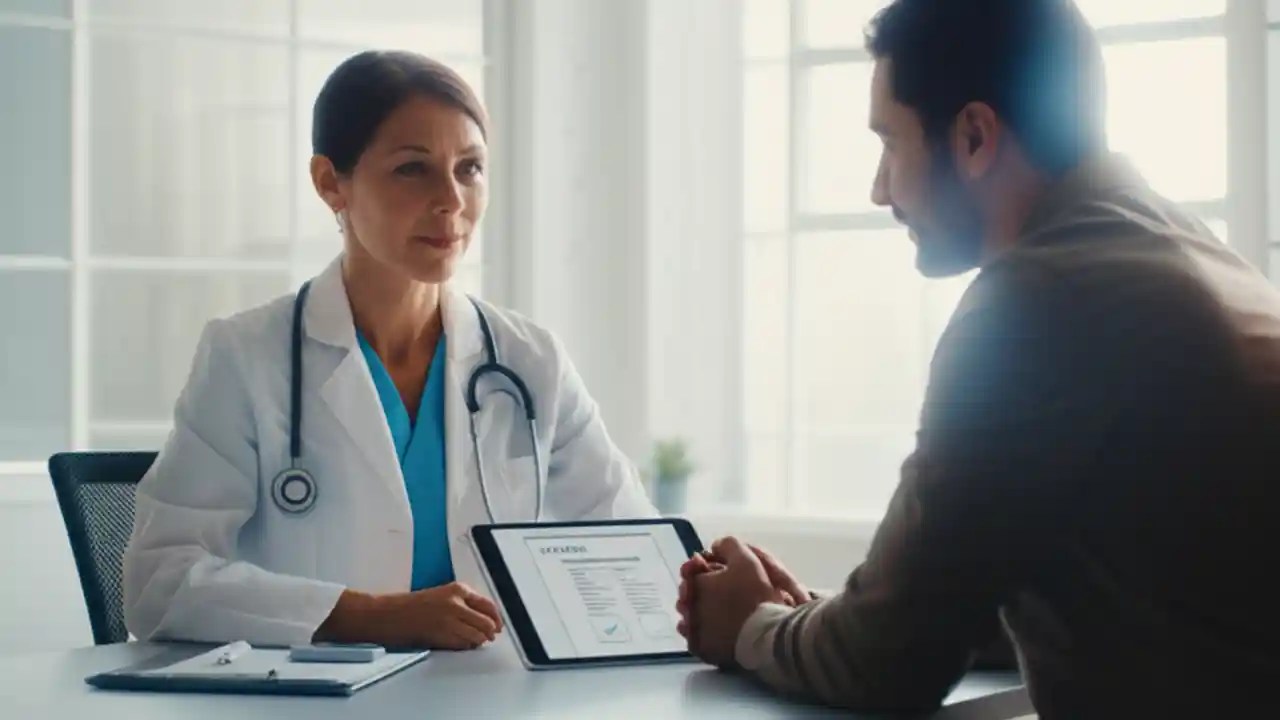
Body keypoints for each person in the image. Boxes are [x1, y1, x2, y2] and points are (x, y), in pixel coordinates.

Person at [677, 0, 1280, 716]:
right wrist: (826, 618)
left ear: (973, 137)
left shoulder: (1040, 300)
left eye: (891, 144)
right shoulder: (1183, 249)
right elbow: (1006, 589)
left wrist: (747, 627)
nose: (879, 189)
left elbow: (888, 664)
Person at [123, 50, 655, 651]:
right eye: (413, 169)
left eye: (470, 169)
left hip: (489, 696)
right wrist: (365, 616)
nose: (451, 199)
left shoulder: (529, 363)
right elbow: (158, 582)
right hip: (312, 700)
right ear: (330, 183)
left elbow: (633, 549)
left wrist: (726, 593)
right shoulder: (246, 357)